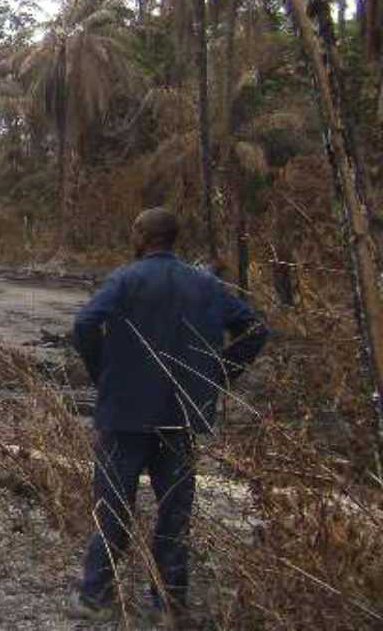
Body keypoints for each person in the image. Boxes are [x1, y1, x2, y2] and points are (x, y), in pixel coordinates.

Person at [67, 207, 268, 624]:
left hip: (125, 415)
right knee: (175, 513)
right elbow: (255, 330)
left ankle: (95, 596)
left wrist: (104, 372)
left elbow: (85, 323)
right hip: (181, 416)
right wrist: (216, 374)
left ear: (141, 236)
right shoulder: (205, 284)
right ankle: (169, 604)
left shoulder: (126, 279)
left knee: (113, 506)